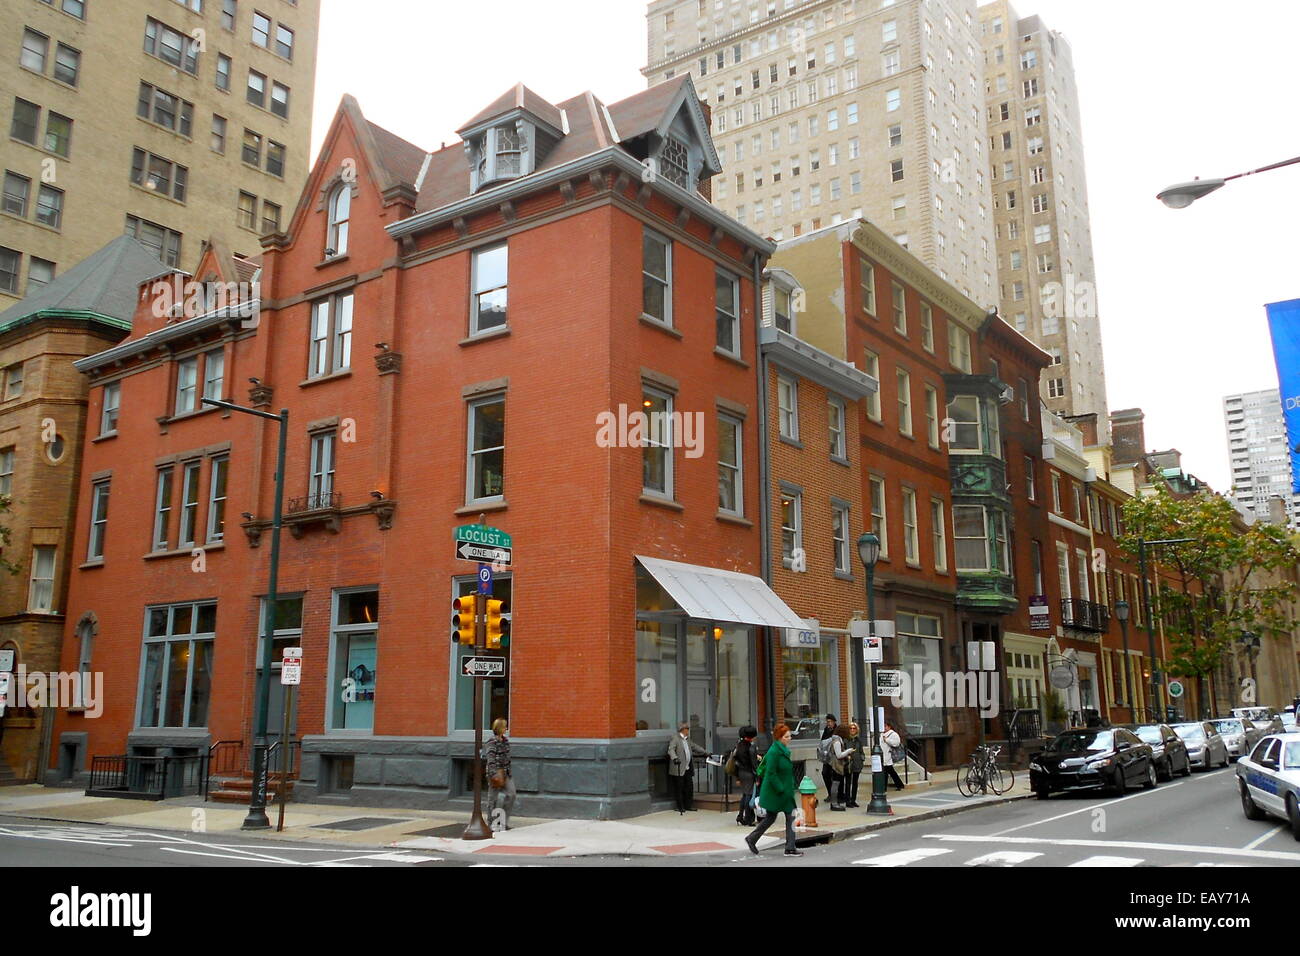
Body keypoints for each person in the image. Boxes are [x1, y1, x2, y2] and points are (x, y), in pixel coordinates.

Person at [746, 723, 802, 857]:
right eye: (787, 736)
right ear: (780, 738)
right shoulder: (774, 752)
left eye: (789, 736)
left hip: (781, 792)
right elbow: (771, 773)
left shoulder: (781, 750)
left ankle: (752, 838)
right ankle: (790, 848)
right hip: (778, 793)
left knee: (771, 817)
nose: (789, 738)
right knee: (791, 816)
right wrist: (781, 788)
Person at [666, 722, 708, 813]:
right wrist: (675, 758)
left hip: (687, 767)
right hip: (679, 767)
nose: (688, 730)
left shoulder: (687, 739)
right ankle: (680, 806)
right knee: (679, 788)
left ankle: (688, 805)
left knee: (689, 787)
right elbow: (671, 750)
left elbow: (695, 747)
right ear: (683, 729)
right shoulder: (675, 738)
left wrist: (705, 752)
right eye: (687, 728)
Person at [484, 718, 516, 829]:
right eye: (504, 726)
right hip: (495, 773)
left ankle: (503, 822)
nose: (506, 728)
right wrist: (493, 774)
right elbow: (490, 758)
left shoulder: (505, 741)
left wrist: (508, 770)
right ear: (499, 728)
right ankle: (491, 823)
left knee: (511, 794)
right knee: (493, 799)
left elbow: (507, 757)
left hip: (506, 772)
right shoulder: (491, 742)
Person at [733, 726, 760, 826]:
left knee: (744, 795)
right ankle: (748, 819)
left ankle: (740, 815)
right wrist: (757, 777)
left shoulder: (739, 745)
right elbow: (754, 764)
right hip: (749, 773)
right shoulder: (751, 747)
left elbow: (735, 761)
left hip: (741, 772)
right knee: (749, 796)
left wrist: (737, 777)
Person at [844, 721, 865, 808]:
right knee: (848, 782)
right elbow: (843, 751)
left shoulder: (858, 740)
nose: (852, 730)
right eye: (851, 728)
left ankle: (853, 800)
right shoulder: (845, 740)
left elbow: (861, 751)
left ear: (857, 730)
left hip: (857, 763)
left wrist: (862, 758)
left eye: (854, 728)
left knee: (855, 782)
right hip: (848, 764)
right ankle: (847, 800)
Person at [819, 713, 838, 805]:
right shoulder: (826, 730)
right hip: (826, 756)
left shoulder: (837, 730)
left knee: (833, 775)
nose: (828, 723)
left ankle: (835, 795)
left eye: (830, 722)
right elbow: (822, 741)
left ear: (834, 722)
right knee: (825, 773)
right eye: (827, 722)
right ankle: (830, 793)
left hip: (834, 756)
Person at [881, 720, 905, 791]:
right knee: (890, 772)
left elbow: (896, 743)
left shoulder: (893, 734)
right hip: (883, 756)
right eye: (883, 726)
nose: (884, 728)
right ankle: (899, 785)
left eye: (885, 726)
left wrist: (887, 740)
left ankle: (884, 788)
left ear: (889, 727)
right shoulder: (881, 734)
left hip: (889, 756)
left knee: (887, 772)